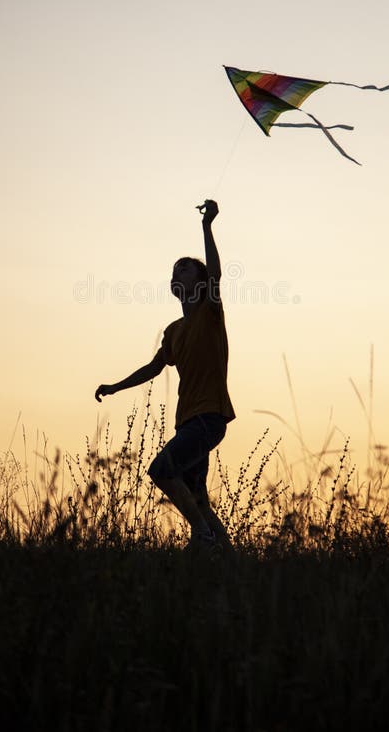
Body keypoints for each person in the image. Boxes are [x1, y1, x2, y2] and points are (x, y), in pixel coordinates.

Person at [95, 199, 235, 552]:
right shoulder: (173, 330)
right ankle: (227, 552)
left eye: (185, 268)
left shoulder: (210, 311)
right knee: (197, 496)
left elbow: (215, 273)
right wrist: (115, 386)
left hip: (209, 418)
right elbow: (154, 368)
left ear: (200, 282)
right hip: (187, 422)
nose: (177, 273)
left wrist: (207, 227)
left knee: (161, 470)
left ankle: (202, 537)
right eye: (174, 269)